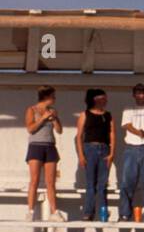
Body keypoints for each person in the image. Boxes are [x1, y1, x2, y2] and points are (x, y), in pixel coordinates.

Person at [24, 85, 66, 221]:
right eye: (53, 96)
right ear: (47, 96)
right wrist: (42, 118)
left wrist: (54, 118)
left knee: (51, 182)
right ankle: (30, 211)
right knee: (34, 180)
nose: (55, 98)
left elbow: (59, 130)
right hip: (36, 146)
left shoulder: (53, 111)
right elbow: (30, 129)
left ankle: (55, 212)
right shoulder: (32, 109)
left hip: (50, 146)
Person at [117, 83, 144, 223]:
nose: (141, 95)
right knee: (127, 182)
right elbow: (126, 125)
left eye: (143, 93)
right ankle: (125, 214)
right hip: (131, 148)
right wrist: (140, 132)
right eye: (138, 93)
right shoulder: (128, 108)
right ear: (134, 95)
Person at [76, 88, 114, 221]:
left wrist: (111, 153)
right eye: (103, 98)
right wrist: (81, 155)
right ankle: (88, 212)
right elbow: (79, 136)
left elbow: (112, 134)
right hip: (89, 149)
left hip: (104, 149)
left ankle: (103, 213)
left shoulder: (108, 115)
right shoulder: (85, 114)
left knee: (102, 184)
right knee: (90, 183)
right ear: (96, 99)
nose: (106, 101)